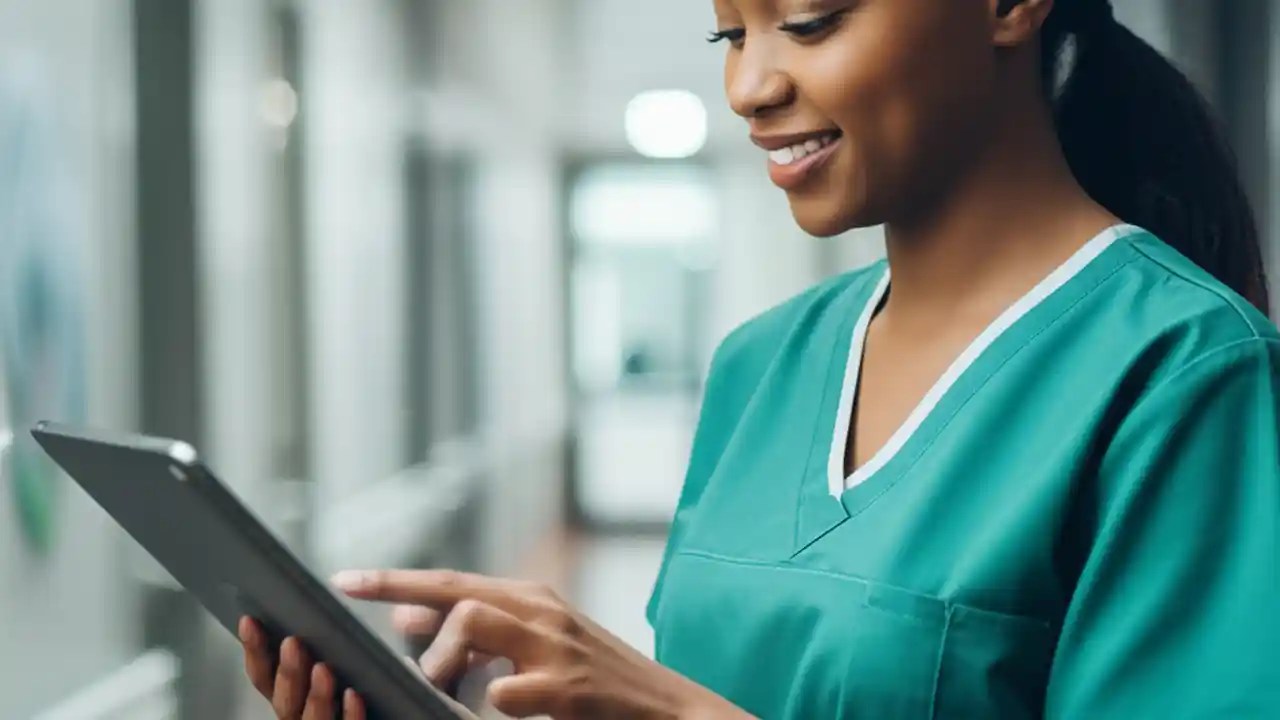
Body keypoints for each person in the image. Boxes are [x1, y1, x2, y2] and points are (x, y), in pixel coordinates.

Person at [240, 0, 1280, 717]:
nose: (748, 84)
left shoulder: (1181, 374)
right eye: (728, 33)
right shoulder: (760, 369)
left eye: (809, 23)